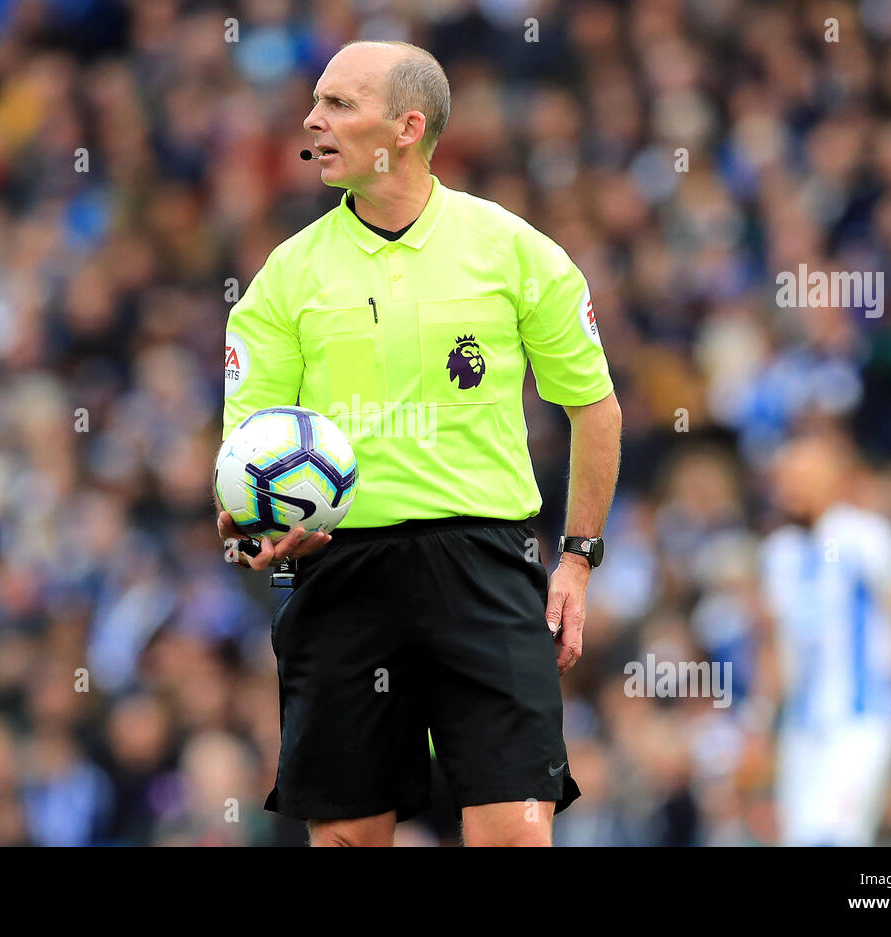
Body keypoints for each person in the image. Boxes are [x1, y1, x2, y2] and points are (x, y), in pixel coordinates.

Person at [216, 39, 622, 846]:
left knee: (514, 828)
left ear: (406, 126)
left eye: (338, 105)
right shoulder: (286, 277)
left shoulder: (513, 250)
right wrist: (246, 530)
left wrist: (576, 556)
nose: (312, 120)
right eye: (315, 102)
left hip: (485, 564)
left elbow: (596, 409)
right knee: (347, 837)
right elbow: (244, 455)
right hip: (337, 569)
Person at [756, 432, 891, 846]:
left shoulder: (866, 536)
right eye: (785, 476)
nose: (790, 485)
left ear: (836, 478)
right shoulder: (777, 554)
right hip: (801, 724)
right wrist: (759, 719)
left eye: (803, 475)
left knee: (835, 834)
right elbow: (773, 645)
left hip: (862, 716)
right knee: (800, 836)